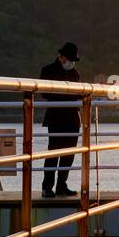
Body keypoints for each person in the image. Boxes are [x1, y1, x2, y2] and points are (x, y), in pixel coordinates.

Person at [39, 42, 82, 198]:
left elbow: (78, 93)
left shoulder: (74, 73)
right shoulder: (48, 70)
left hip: (73, 118)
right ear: (62, 57)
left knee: (69, 154)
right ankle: (47, 186)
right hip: (56, 118)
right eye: (69, 59)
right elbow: (45, 93)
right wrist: (67, 95)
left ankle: (62, 185)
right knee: (53, 153)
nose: (71, 63)